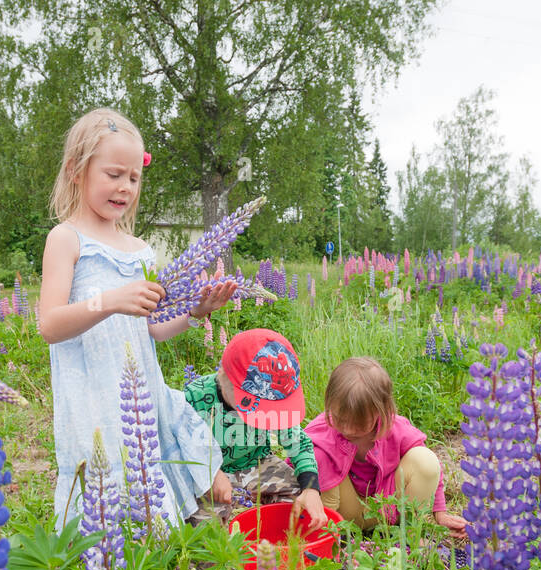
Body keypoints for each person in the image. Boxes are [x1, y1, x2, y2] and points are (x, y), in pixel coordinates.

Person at [37, 108, 235, 530]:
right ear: (76, 170)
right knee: (105, 499)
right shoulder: (66, 239)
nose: (125, 187)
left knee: (148, 498)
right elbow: (49, 325)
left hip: (139, 392)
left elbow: (152, 329)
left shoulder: (139, 249)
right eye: (113, 174)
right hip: (93, 397)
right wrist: (108, 301)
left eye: (133, 178)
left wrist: (196, 313)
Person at [306, 356, 467, 539]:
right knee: (316, 454)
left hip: (386, 507)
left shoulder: (395, 429)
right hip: (344, 512)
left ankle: (410, 530)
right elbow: (298, 461)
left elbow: (431, 470)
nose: (348, 429)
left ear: (381, 410)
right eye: (341, 420)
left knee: (425, 460)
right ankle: (322, 534)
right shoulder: (322, 429)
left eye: (359, 424)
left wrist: (440, 512)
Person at [185, 328, 327, 527]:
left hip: (258, 463)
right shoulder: (194, 397)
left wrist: (310, 488)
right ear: (228, 382)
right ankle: (231, 542)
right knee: (204, 524)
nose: (266, 412)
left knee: (299, 502)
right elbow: (180, 443)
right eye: (260, 406)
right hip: (212, 474)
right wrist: (210, 473)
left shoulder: (274, 393)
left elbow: (297, 442)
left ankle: (279, 535)